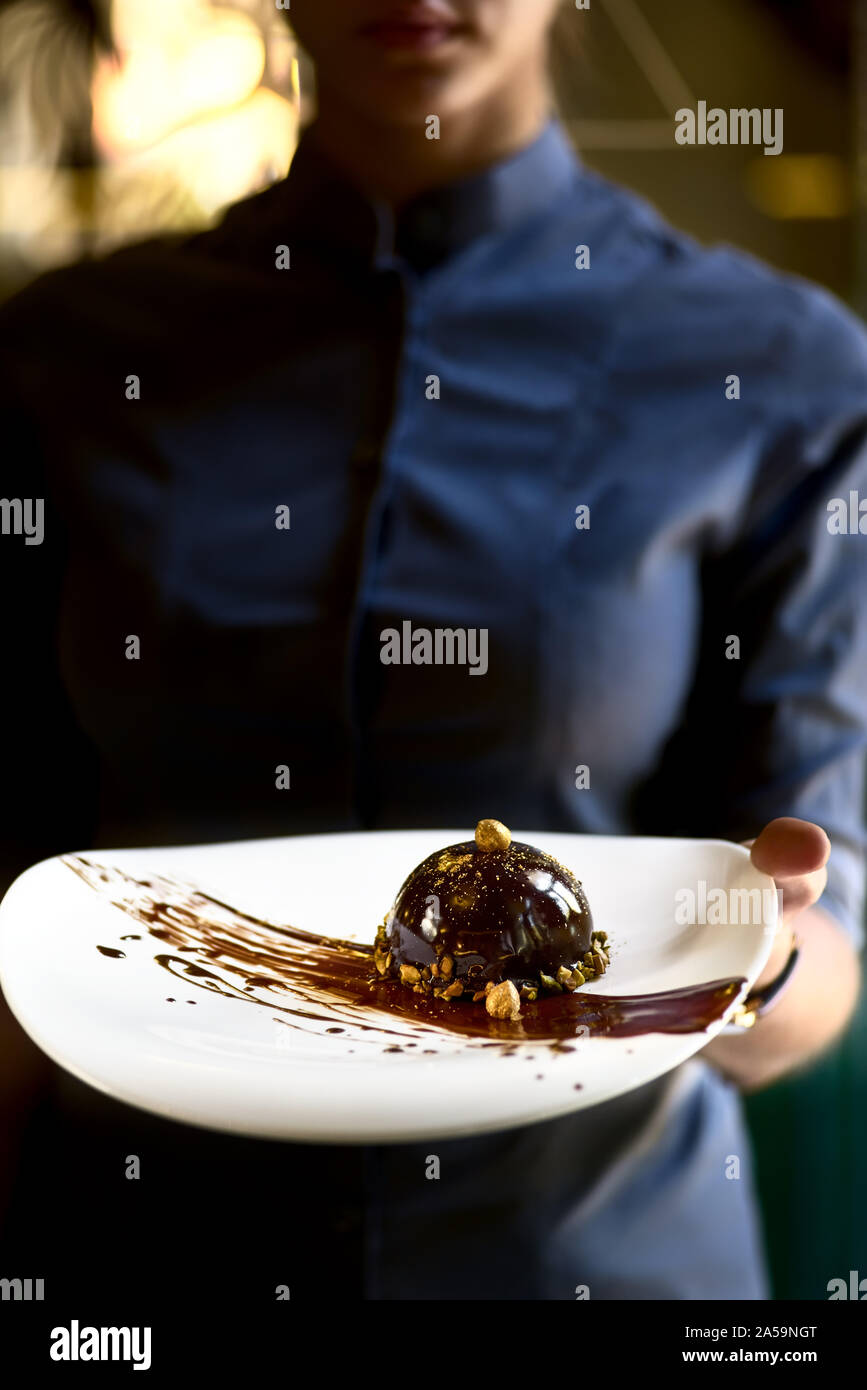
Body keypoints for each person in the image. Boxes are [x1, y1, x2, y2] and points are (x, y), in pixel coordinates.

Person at [0, 0, 865, 1300]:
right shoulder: (60, 358)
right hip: (142, 1273)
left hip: (594, 1263)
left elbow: (821, 950)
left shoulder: (787, 370)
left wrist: (765, 951)